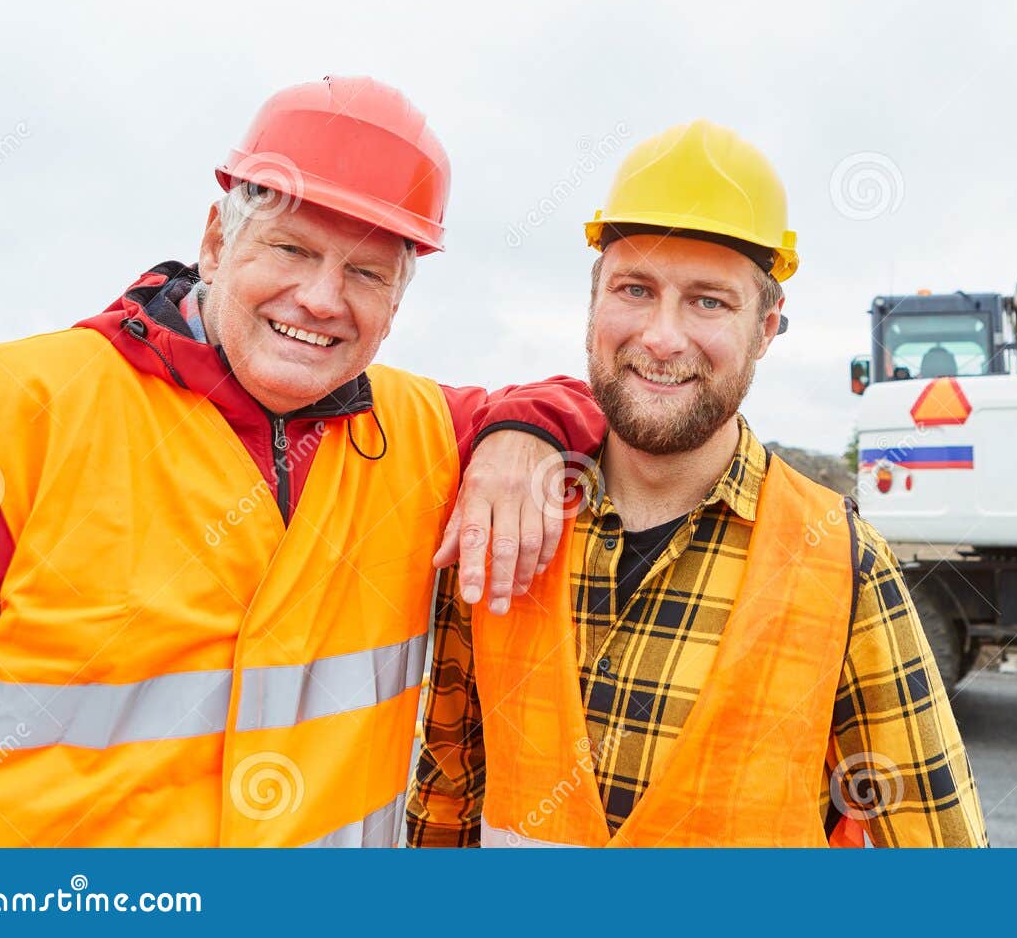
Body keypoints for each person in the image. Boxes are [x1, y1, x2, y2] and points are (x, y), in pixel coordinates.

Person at [0, 76, 604, 847]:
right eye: (291, 248)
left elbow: (579, 399)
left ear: (398, 301)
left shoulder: (423, 432)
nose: (320, 298)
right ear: (217, 240)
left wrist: (525, 436)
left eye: (366, 272)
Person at [409, 119, 986, 847]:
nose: (661, 335)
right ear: (593, 304)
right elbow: (444, 806)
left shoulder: (841, 565)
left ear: (768, 327)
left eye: (708, 301)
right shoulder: (506, 524)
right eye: (635, 289)